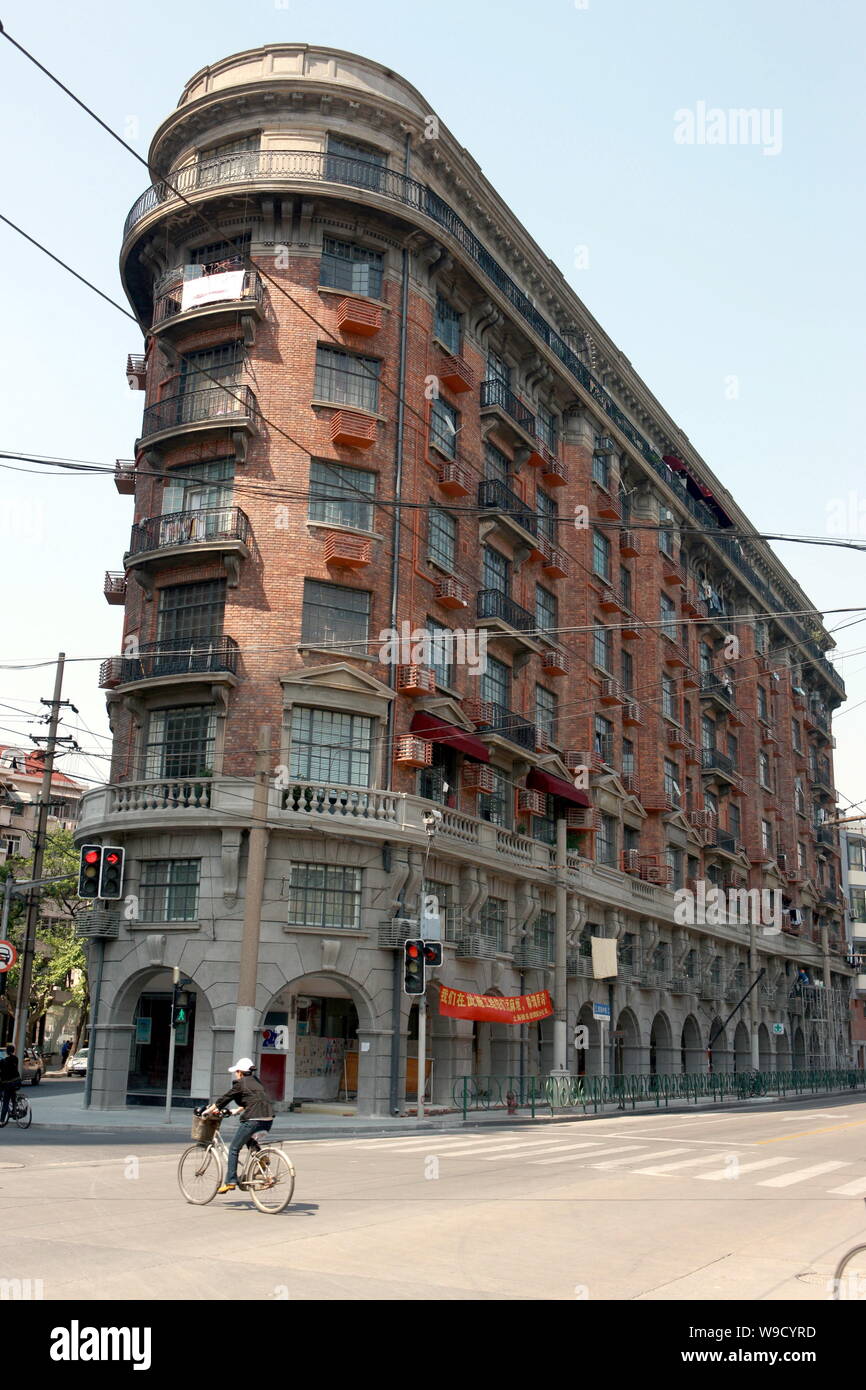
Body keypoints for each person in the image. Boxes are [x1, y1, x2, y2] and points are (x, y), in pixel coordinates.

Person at [205, 1058, 274, 1194]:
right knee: (248, 1138)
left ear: (241, 1072)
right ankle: (262, 1159)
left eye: (237, 1071)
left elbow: (223, 1100)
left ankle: (230, 1181)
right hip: (268, 1118)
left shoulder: (240, 1084)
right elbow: (253, 1100)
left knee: (234, 1148)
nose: (236, 1074)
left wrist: (207, 1111)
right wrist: (236, 1110)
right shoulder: (256, 1082)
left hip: (253, 1119)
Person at [0, 1044, 21, 1125]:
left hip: (8, 1084)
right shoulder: (16, 1059)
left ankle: (1, 1121)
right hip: (17, 1082)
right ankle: (15, 1111)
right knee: (13, 1095)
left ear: (6, 1051)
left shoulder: (3, 1061)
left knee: (5, 1102)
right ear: (13, 1051)